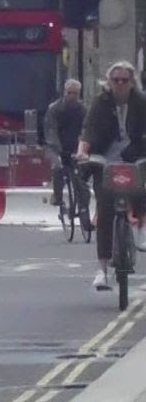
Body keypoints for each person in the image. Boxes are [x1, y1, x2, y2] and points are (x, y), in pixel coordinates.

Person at [76, 61, 146, 291]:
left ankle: (141, 230)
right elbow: (89, 129)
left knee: (141, 190)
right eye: (115, 80)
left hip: (134, 156)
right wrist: (83, 151)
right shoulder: (101, 103)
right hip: (104, 158)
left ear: (131, 82)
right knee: (105, 211)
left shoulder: (140, 102)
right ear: (109, 82)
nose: (119, 85)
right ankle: (102, 270)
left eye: (124, 80)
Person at [44, 79, 88, 217]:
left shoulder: (83, 110)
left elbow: (86, 129)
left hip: (75, 148)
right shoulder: (54, 109)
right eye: (69, 93)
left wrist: (83, 146)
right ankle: (57, 196)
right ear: (64, 93)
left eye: (75, 93)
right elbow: (51, 130)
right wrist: (58, 150)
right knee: (58, 167)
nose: (72, 96)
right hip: (55, 147)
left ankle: (83, 208)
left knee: (80, 177)